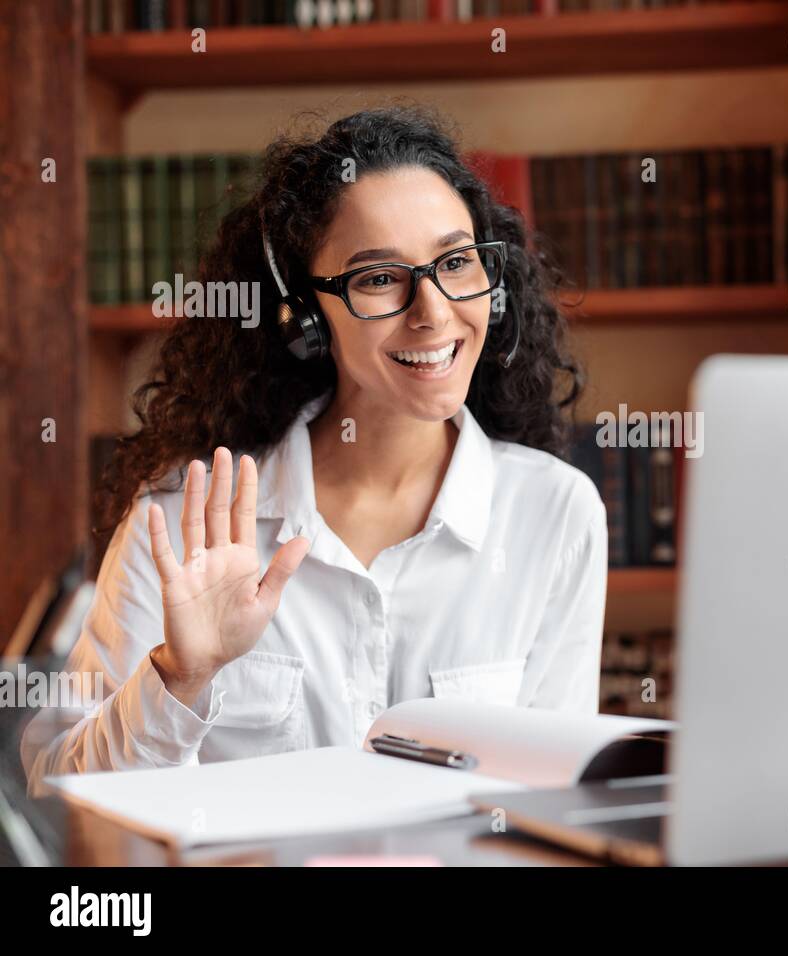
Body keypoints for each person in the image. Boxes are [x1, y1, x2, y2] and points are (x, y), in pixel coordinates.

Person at [23, 107, 607, 787]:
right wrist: (179, 680)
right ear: (305, 317)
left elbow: (562, 795)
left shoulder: (556, 513)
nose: (434, 312)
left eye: (455, 262)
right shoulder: (185, 519)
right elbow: (50, 792)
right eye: (379, 278)